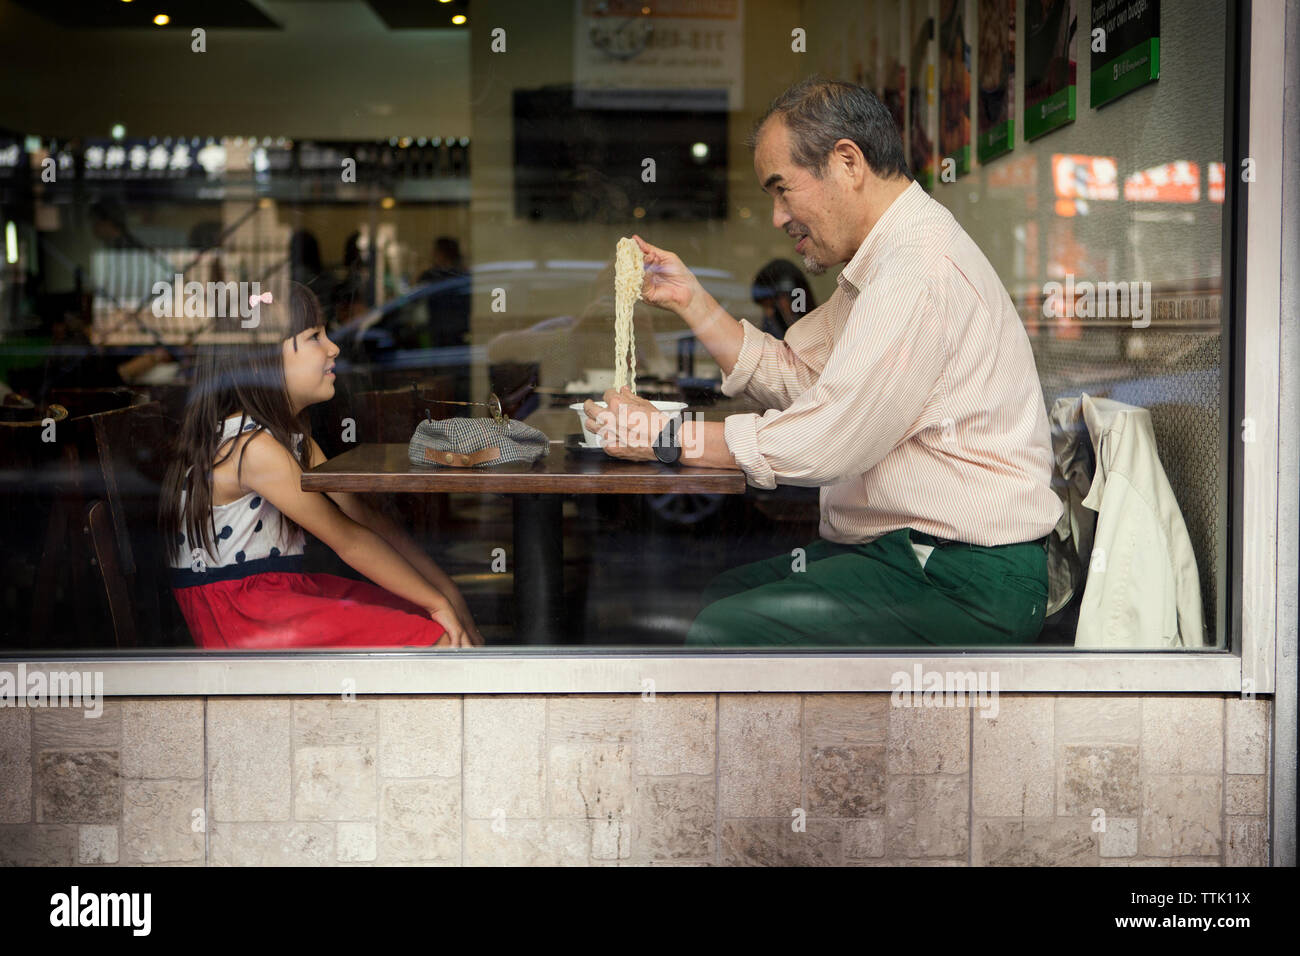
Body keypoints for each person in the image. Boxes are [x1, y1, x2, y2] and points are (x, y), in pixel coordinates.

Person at [585, 78, 1063, 647]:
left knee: (725, 629)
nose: (776, 215)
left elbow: (826, 438)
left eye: (783, 190)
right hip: (906, 556)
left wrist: (663, 435)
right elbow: (803, 381)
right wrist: (691, 298)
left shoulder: (918, 267)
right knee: (721, 597)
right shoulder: (886, 258)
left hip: (963, 576)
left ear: (847, 162)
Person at [158, 281, 483, 649]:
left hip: (276, 596)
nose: (334, 347)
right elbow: (348, 539)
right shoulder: (253, 449)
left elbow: (367, 521)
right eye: (315, 336)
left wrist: (445, 591)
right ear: (262, 359)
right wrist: (437, 603)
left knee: (433, 618)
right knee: (439, 638)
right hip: (245, 614)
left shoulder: (288, 438)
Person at [751, 258, 817, 339]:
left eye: (770, 305)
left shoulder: (809, 319)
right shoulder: (772, 320)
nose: (768, 313)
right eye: (766, 307)